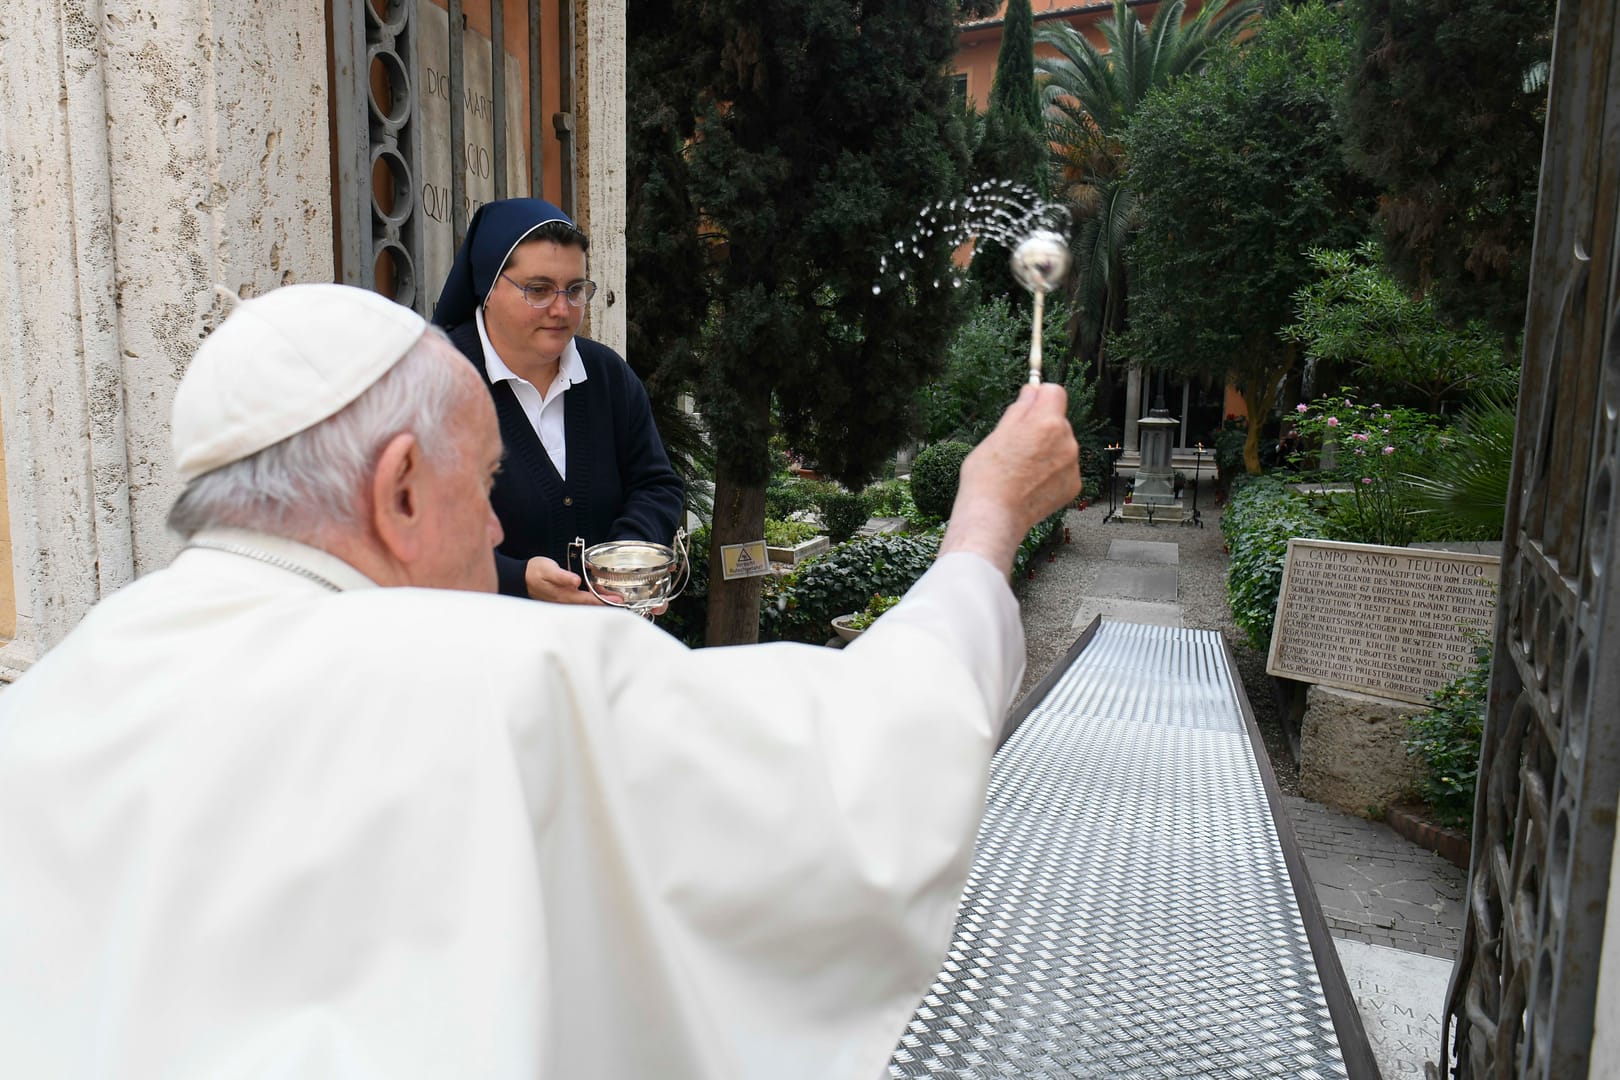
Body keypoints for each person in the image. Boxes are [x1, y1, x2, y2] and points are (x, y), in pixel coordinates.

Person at [0, 284, 1080, 1079]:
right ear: (401, 492)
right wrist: (987, 514)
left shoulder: (59, 692)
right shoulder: (510, 676)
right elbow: (865, 759)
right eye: (484, 484)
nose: (504, 527)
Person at [432, 197, 684, 604]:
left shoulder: (607, 375)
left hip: (603, 637)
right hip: (482, 646)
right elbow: (417, 533)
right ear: (488, 288)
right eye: (539, 289)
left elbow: (656, 483)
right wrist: (516, 578)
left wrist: (626, 561)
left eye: (575, 290)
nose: (562, 309)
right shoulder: (434, 384)